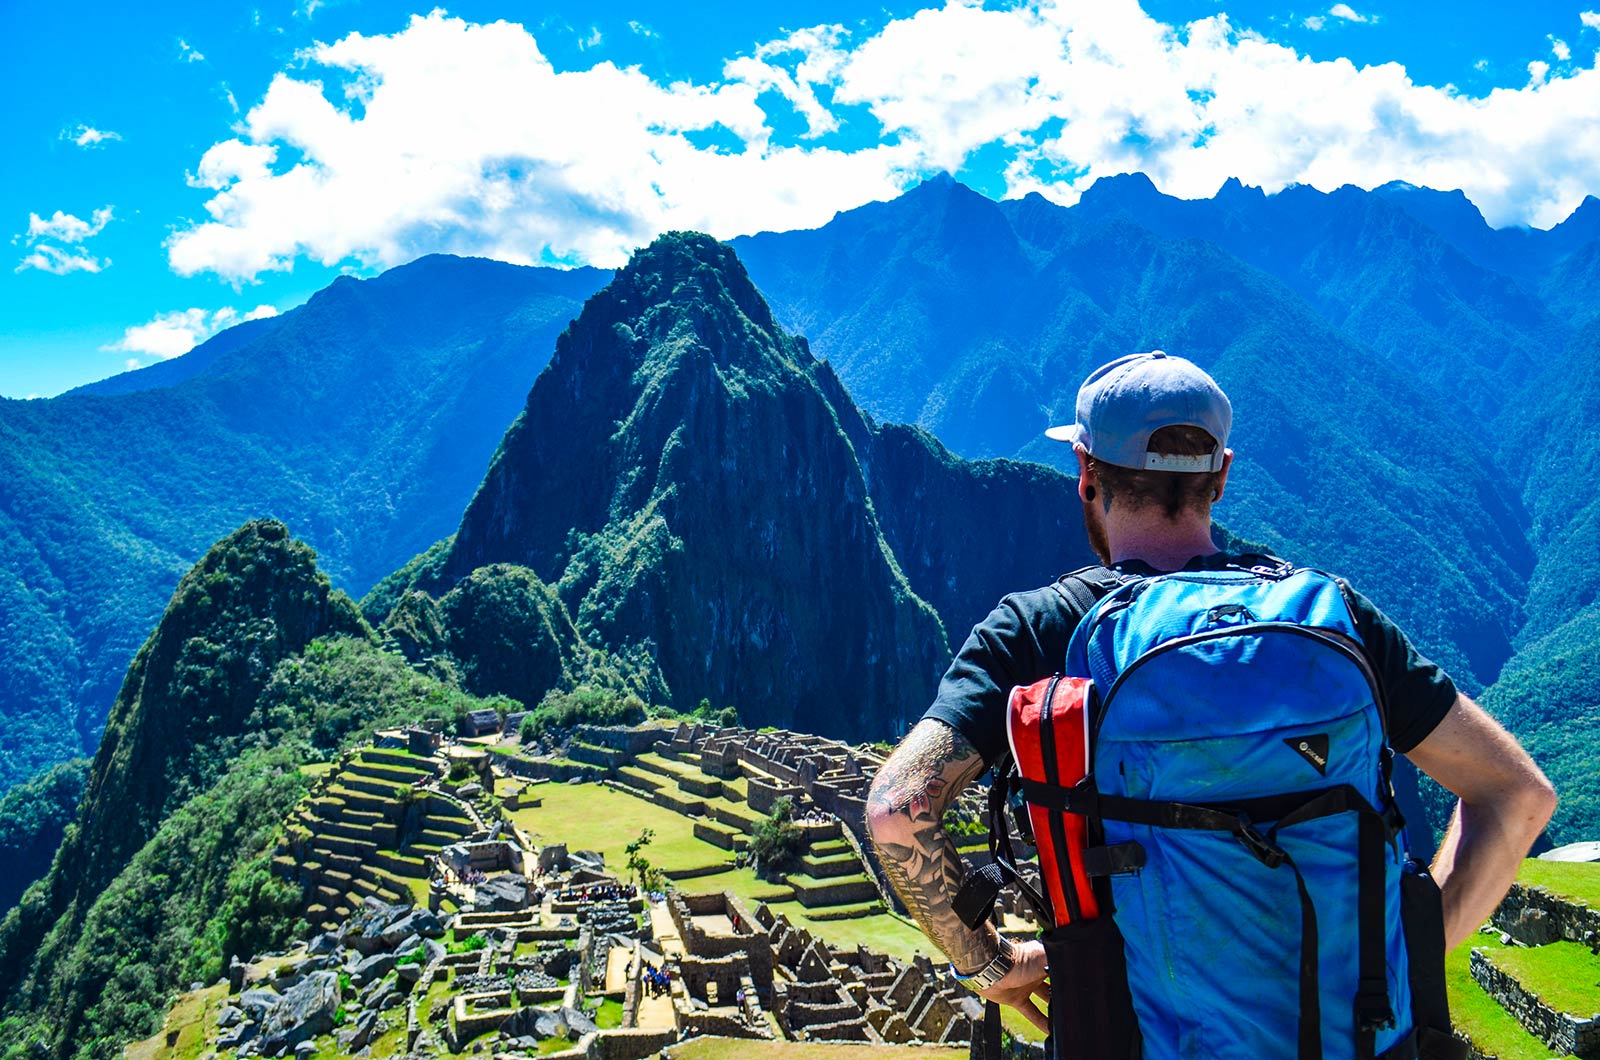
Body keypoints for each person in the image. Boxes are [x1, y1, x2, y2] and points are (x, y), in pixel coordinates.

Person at [864, 351, 1556, 1047]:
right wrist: (1397, 961)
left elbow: (899, 809)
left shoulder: (1042, 630)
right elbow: (1519, 797)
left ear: (1085, 474)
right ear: (1221, 476)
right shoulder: (1332, 616)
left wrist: (988, 964)